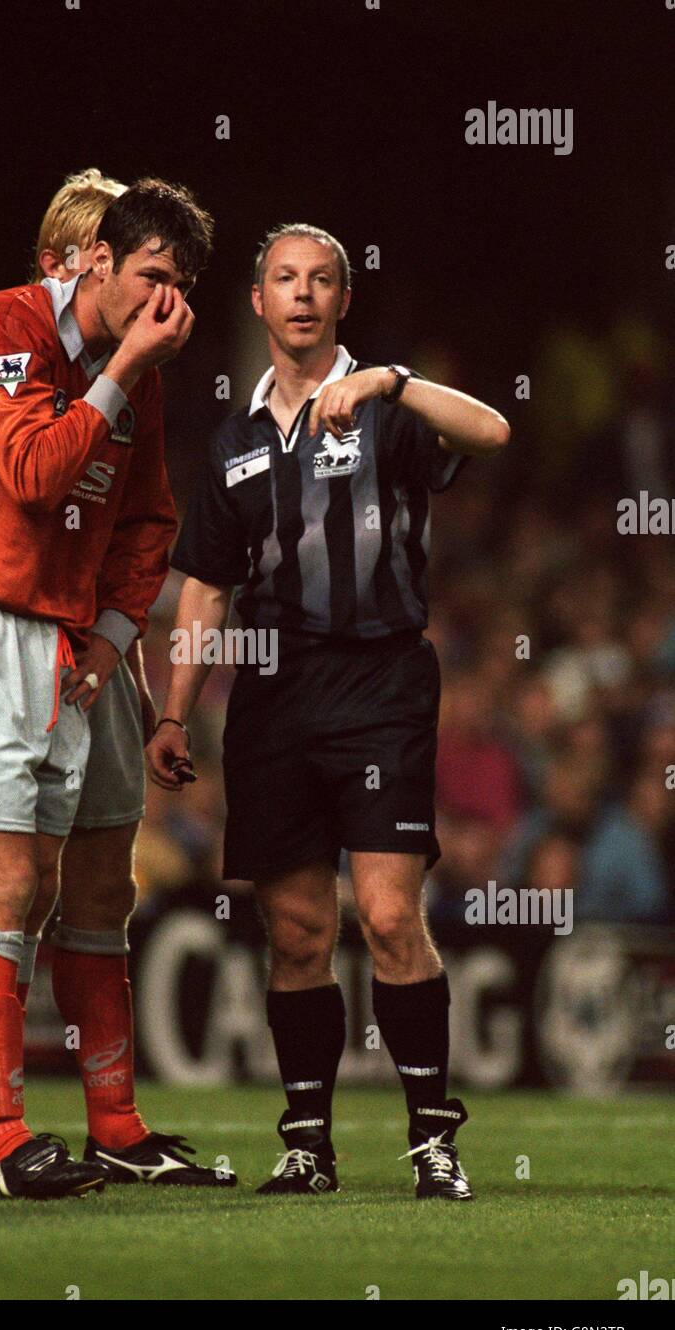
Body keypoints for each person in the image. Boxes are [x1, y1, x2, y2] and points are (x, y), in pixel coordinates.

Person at [147, 224, 509, 1198]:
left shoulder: (388, 409)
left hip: (383, 684)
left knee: (388, 915)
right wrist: (174, 713)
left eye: (320, 280)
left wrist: (393, 380)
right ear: (257, 301)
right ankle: (307, 1145)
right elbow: (206, 586)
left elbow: (492, 433)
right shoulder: (234, 441)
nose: (302, 294)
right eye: (283, 279)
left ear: (344, 300)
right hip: (273, 696)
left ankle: (432, 1138)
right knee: (299, 931)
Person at [0, 170, 229, 1187]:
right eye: (155, 278)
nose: (169, 305)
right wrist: (123, 367)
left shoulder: (138, 375)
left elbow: (149, 520)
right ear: (96, 262)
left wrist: (117, 638)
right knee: (6, 879)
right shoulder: (8, 327)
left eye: (183, 287)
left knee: (93, 884)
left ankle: (106, 1127)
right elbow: (35, 475)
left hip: (73, 640)